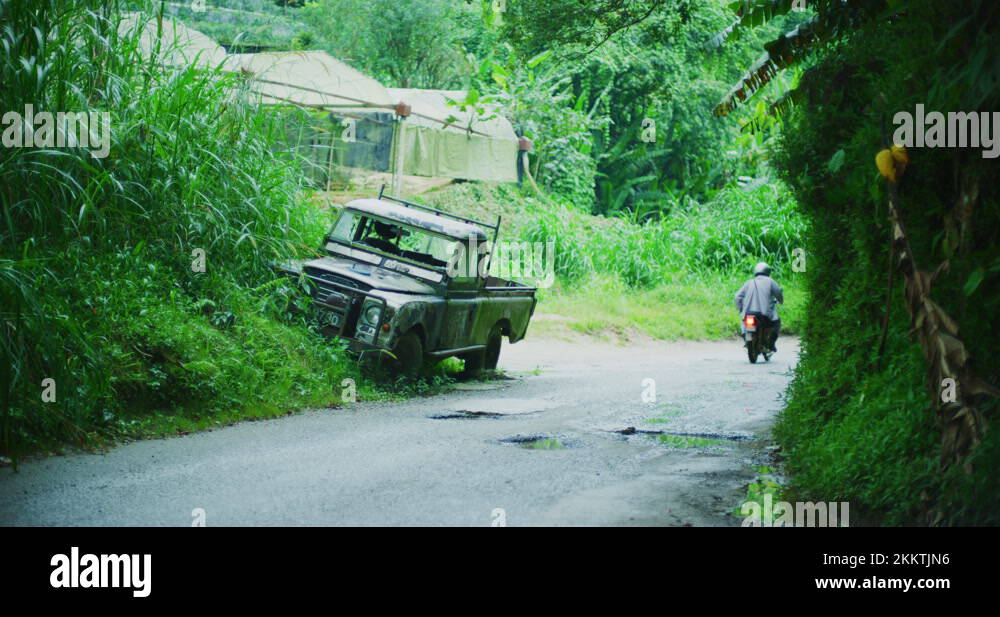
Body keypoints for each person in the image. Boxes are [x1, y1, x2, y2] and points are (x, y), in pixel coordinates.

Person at [735, 262, 784, 352]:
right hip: (764, 315)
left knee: (744, 327)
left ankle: (748, 340)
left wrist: (740, 308)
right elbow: (778, 293)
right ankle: (771, 344)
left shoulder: (749, 282)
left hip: (748, 313)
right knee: (776, 323)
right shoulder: (770, 282)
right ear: (768, 271)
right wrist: (780, 301)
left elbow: (737, 296)